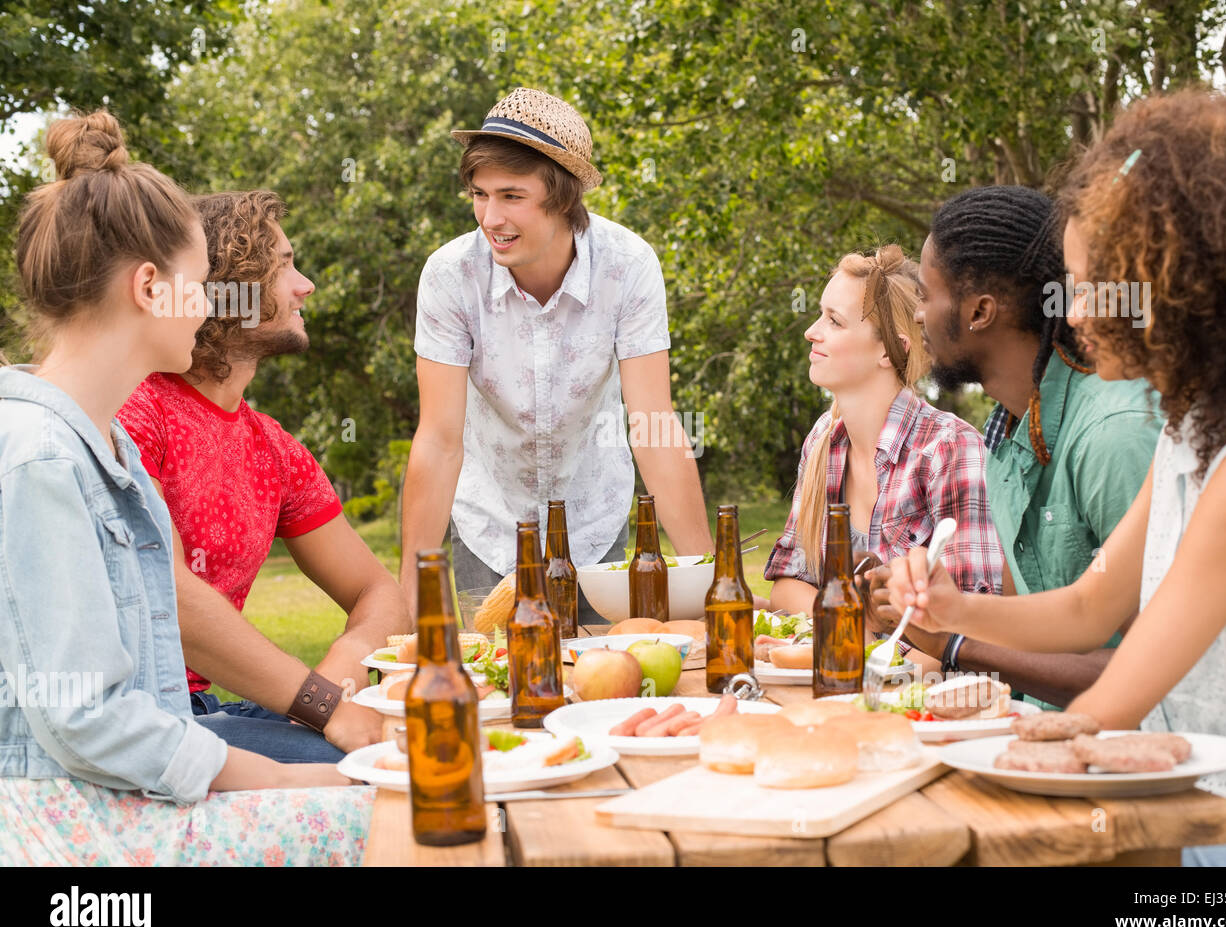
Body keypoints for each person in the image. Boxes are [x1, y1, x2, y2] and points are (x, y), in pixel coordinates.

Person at [884, 86, 1226, 865]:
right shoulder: (1194, 425)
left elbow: (1112, 701)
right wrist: (949, 606)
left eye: (1085, 286)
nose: (1067, 312)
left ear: (1175, 284)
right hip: (1188, 814)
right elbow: (1090, 603)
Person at [0, 111, 372, 866]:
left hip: (122, 797)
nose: (208, 309)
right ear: (149, 288)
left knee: (394, 796)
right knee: (401, 818)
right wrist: (267, 776)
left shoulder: (110, 447)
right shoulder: (40, 458)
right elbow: (86, 720)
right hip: (70, 827)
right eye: (199, 286)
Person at [116, 190, 410, 763]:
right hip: (139, 719)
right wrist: (323, 709)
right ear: (230, 289)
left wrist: (331, 688)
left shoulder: (273, 448)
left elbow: (379, 594)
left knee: (425, 741)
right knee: (386, 771)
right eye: (285, 267)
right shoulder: (135, 409)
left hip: (208, 711)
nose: (306, 285)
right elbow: (168, 595)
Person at [401, 88, 713, 621]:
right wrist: (409, 599)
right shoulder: (451, 276)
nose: (489, 217)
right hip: (491, 525)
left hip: (596, 522)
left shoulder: (629, 266)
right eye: (479, 194)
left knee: (607, 684)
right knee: (505, 691)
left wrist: (708, 578)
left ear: (563, 197)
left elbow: (654, 425)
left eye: (511, 196)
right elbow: (439, 440)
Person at [898, 185, 1162, 709]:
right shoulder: (1005, 437)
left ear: (979, 312)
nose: (918, 315)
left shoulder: (1115, 434)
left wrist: (955, 644)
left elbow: (1154, 670)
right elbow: (1028, 630)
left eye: (926, 295)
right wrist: (933, 610)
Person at [763, 246, 1002, 673]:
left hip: (926, 709)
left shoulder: (949, 449)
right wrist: (859, 634)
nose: (811, 333)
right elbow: (788, 584)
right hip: (840, 682)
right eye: (820, 315)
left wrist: (852, 646)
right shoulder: (824, 440)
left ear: (889, 352)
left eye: (834, 321)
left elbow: (972, 632)